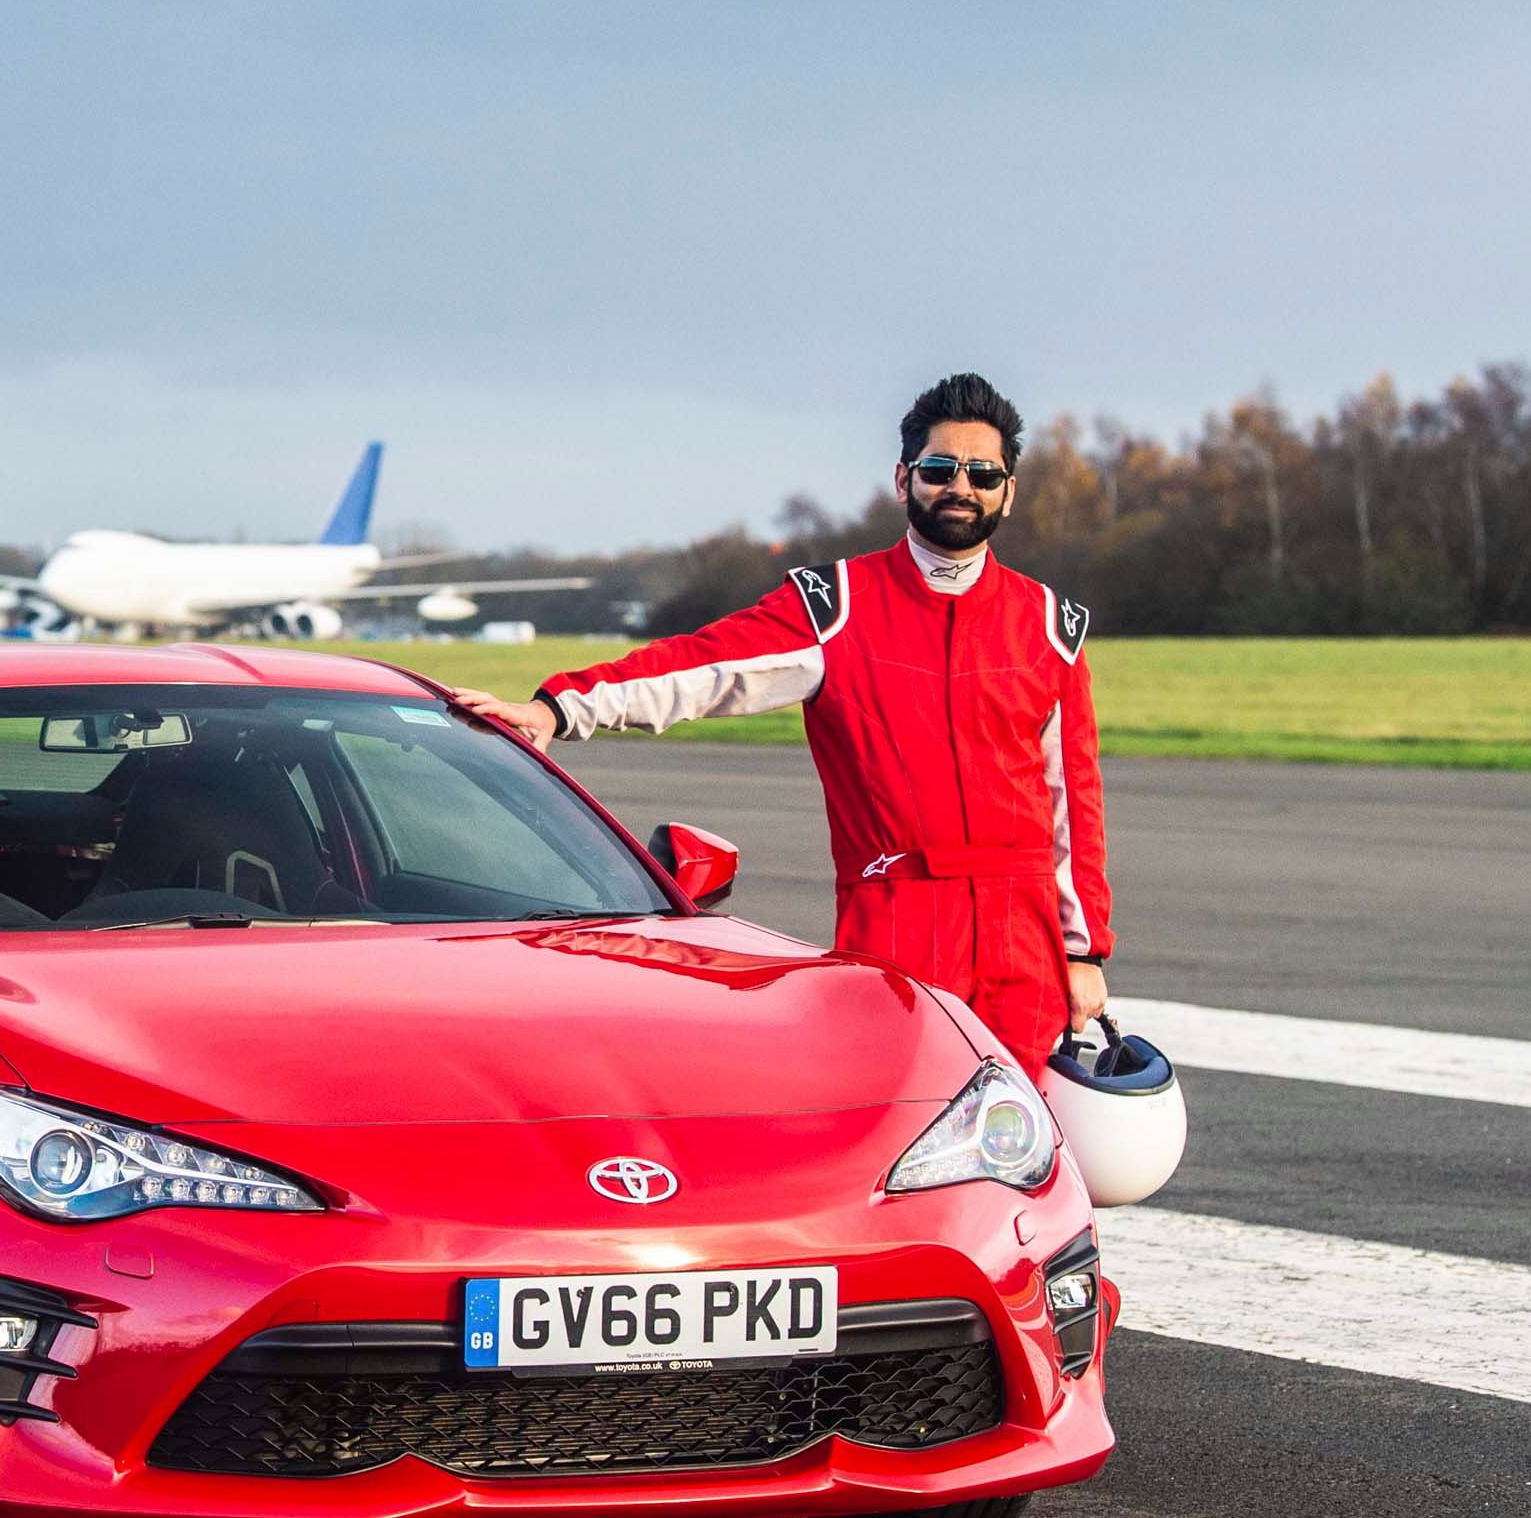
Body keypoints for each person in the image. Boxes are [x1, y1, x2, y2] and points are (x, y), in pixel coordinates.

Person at [457, 372, 1114, 1066]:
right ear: (902, 480)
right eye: (938, 469)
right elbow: (699, 668)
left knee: (1024, 1130)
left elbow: (1073, 801)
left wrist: (1084, 952)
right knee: (895, 1117)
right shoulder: (835, 605)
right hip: (898, 918)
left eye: (983, 473)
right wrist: (557, 708)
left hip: (1024, 931)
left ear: (1008, 491)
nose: (961, 487)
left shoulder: (1049, 625)